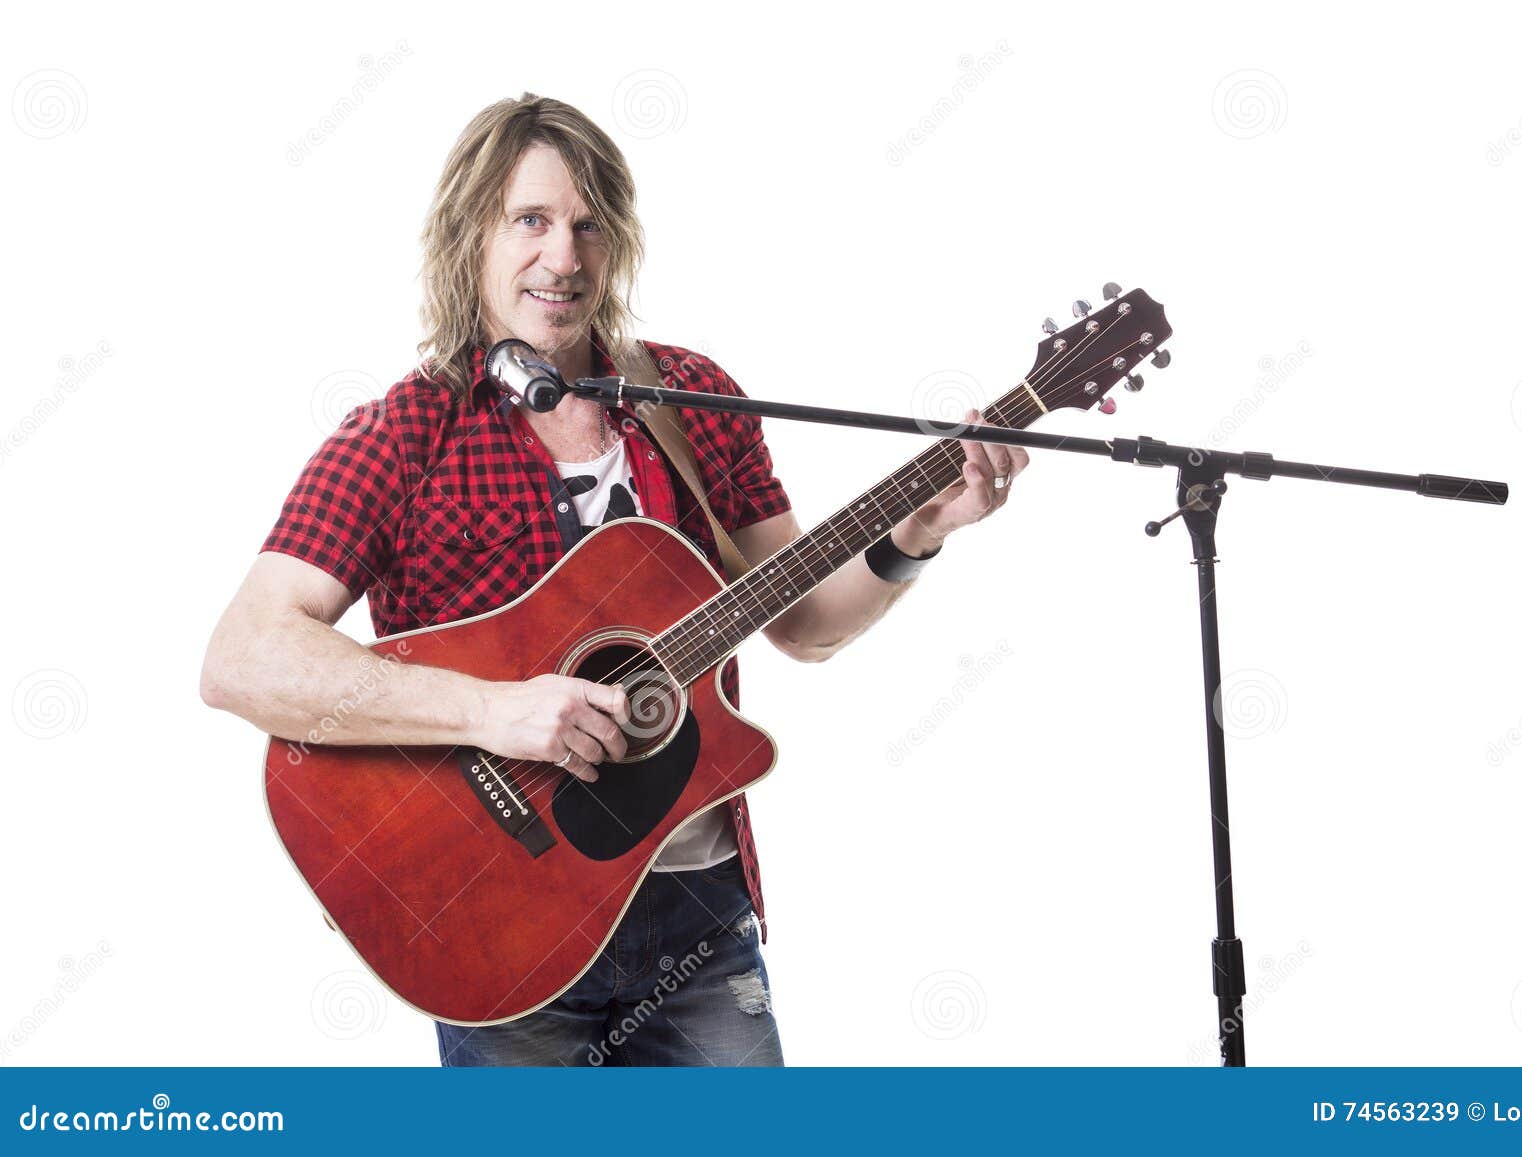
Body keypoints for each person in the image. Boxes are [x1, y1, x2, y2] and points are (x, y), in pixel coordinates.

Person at [199, 92, 1027, 1066]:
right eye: (532, 220)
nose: (564, 256)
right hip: (498, 934)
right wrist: (492, 711)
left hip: (698, 926)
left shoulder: (692, 399)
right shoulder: (404, 432)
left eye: (590, 225)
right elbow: (243, 657)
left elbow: (802, 619)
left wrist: (917, 532)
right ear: (472, 235)